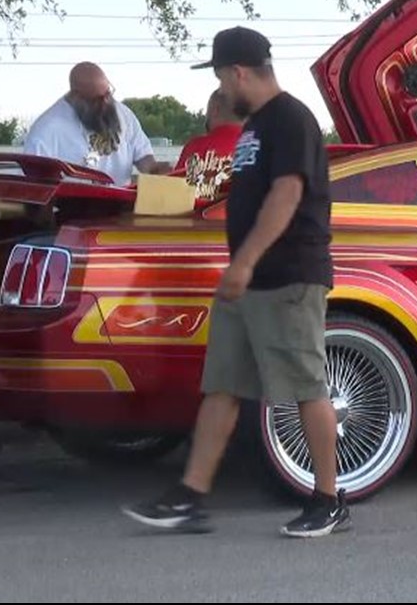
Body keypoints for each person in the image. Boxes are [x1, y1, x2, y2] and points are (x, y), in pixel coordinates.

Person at [121, 26, 345, 538]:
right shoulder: (255, 127)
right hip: (246, 281)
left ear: (239, 72)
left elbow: (287, 195)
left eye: (222, 76)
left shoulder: (291, 120)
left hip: (286, 277)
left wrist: (244, 261)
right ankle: (190, 497)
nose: (221, 88)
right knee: (222, 387)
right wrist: (239, 269)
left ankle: (329, 499)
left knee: (306, 386)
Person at [23, 62, 171, 186]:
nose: (106, 102)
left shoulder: (123, 114)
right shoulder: (46, 131)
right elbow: (38, 188)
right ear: (76, 96)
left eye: (108, 94)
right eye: (98, 100)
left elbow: (146, 162)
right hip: (74, 214)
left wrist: (158, 170)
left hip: (122, 209)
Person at [173, 89, 244, 200]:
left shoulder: (194, 147)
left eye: (207, 112)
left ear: (215, 111)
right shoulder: (261, 147)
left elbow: (175, 192)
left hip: (200, 216)